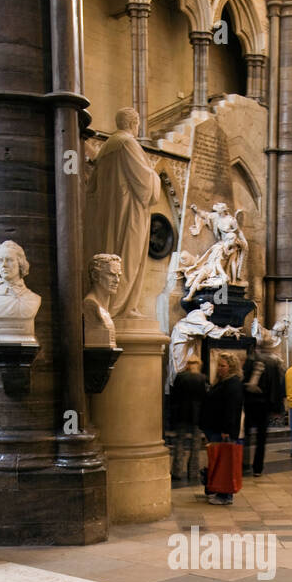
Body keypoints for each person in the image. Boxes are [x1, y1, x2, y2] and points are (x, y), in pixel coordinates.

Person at [86, 107, 160, 319]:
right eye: (137, 124)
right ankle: (122, 307)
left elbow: (92, 187)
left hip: (110, 211)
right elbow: (145, 184)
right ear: (133, 123)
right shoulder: (128, 143)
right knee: (128, 257)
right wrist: (154, 175)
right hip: (130, 212)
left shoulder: (108, 146)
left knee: (115, 251)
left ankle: (117, 306)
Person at [199, 354, 243, 505]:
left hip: (223, 429)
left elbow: (231, 409)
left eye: (223, 365)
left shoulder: (233, 383)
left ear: (231, 367)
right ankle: (218, 489)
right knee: (218, 461)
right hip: (214, 427)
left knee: (225, 462)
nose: (219, 368)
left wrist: (227, 430)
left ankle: (225, 495)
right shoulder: (223, 382)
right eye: (219, 365)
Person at [242, 347, 283, 478]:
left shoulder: (249, 361)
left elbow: (242, 381)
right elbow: (276, 387)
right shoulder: (272, 364)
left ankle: (243, 464)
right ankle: (257, 468)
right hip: (264, 404)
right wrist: (277, 408)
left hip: (249, 403)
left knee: (245, 434)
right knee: (261, 437)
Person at [169, 353, 207, 484]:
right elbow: (204, 399)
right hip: (197, 415)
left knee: (179, 442)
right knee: (196, 444)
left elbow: (174, 397)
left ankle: (177, 471)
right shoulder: (202, 378)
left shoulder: (180, 377)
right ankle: (193, 472)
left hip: (182, 414)